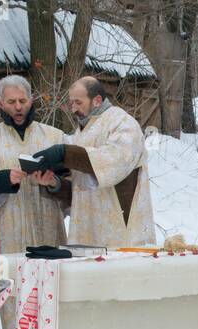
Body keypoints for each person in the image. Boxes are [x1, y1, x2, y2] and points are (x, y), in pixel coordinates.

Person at [0, 75, 69, 329]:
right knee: (16, 284)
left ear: (32, 100)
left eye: (23, 101)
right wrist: (5, 176)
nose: (18, 107)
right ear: (0, 103)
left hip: (48, 221)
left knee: (51, 282)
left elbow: (72, 180)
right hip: (9, 225)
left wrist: (52, 181)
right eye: (11, 102)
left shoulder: (54, 136)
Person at [29, 77, 155, 248]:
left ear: (96, 100)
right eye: (71, 103)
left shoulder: (122, 122)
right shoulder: (83, 131)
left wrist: (64, 153)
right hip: (87, 229)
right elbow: (81, 188)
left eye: (78, 102)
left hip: (118, 228)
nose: (73, 108)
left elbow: (114, 159)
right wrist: (54, 183)